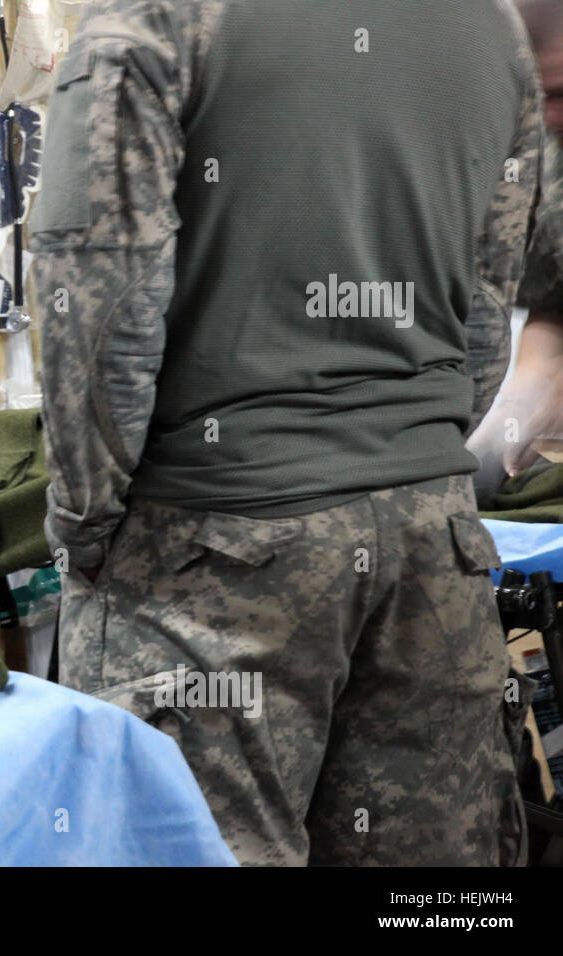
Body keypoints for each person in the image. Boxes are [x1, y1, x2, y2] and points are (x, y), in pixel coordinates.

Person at [32, 0, 543, 865]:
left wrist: (83, 519)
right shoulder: (492, 28)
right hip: (434, 541)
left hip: (212, 550)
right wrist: (414, 442)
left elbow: (100, 303)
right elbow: (488, 309)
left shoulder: (154, 14)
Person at [469, 0, 563, 495]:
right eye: (538, 94)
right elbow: (553, 308)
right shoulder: (546, 162)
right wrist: (519, 407)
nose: (549, 115)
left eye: (562, 93)